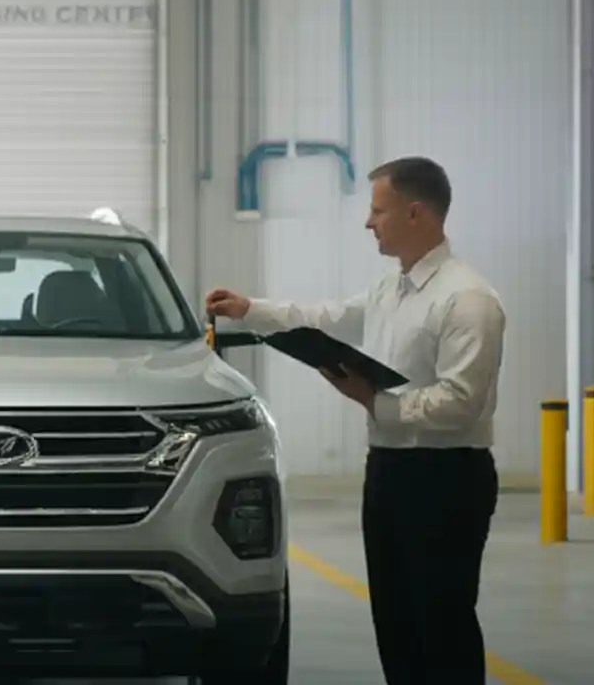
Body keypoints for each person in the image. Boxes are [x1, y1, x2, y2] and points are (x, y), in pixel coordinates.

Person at [206, 156, 505, 684]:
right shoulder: (392, 289)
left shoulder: (468, 300)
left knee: (442, 620)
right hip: (389, 470)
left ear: (415, 213)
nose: (369, 222)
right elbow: (327, 317)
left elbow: (461, 402)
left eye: (377, 210)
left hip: (447, 478)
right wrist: (250, 309)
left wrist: (373, 400)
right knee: (395, 620)